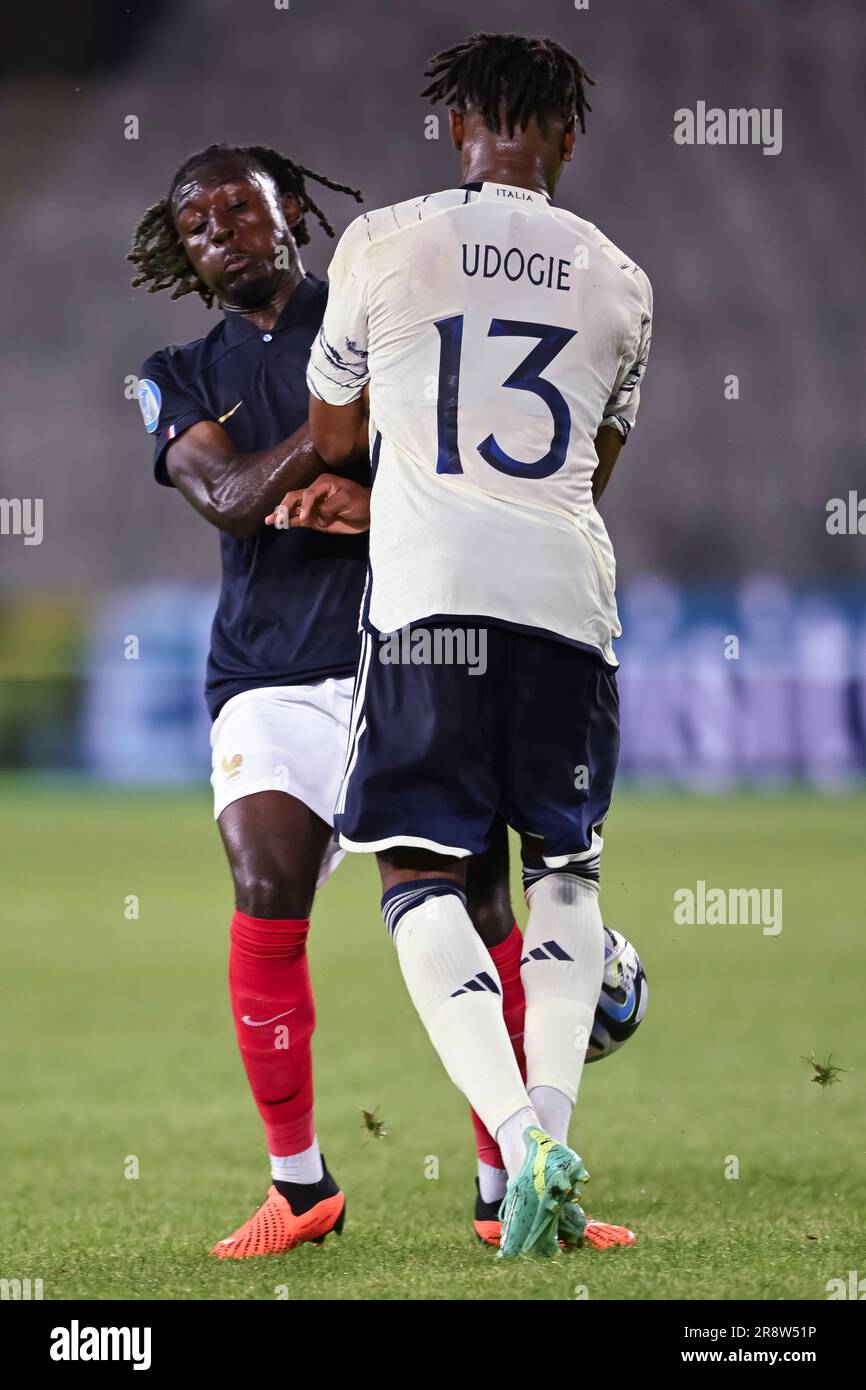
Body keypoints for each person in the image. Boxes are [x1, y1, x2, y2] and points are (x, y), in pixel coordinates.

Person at [129, 141, 549, 1258]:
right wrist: (322, 445)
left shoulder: (388, 317)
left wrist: (375, 505)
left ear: (295, 210)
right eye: (195, 222)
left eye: (238, 206)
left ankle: (506, 1184)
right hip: (266, 672)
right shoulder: (174, 369)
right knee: (265, 882)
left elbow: (469, 462)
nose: (217, 229)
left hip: (407, 649)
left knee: (470, 902)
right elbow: (219, 494)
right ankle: (299, 1182)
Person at [301, 31, 653, 1256]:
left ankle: (517, 1134)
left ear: (456, 129)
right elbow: (590, 471)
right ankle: (544, 1135)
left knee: (417, 871)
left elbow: (335, 436)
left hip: (430, 600)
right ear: (565, 137)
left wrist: (380, 478)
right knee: (562, 874)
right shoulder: (620, 278)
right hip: (564, 599)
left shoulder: (380, 240)